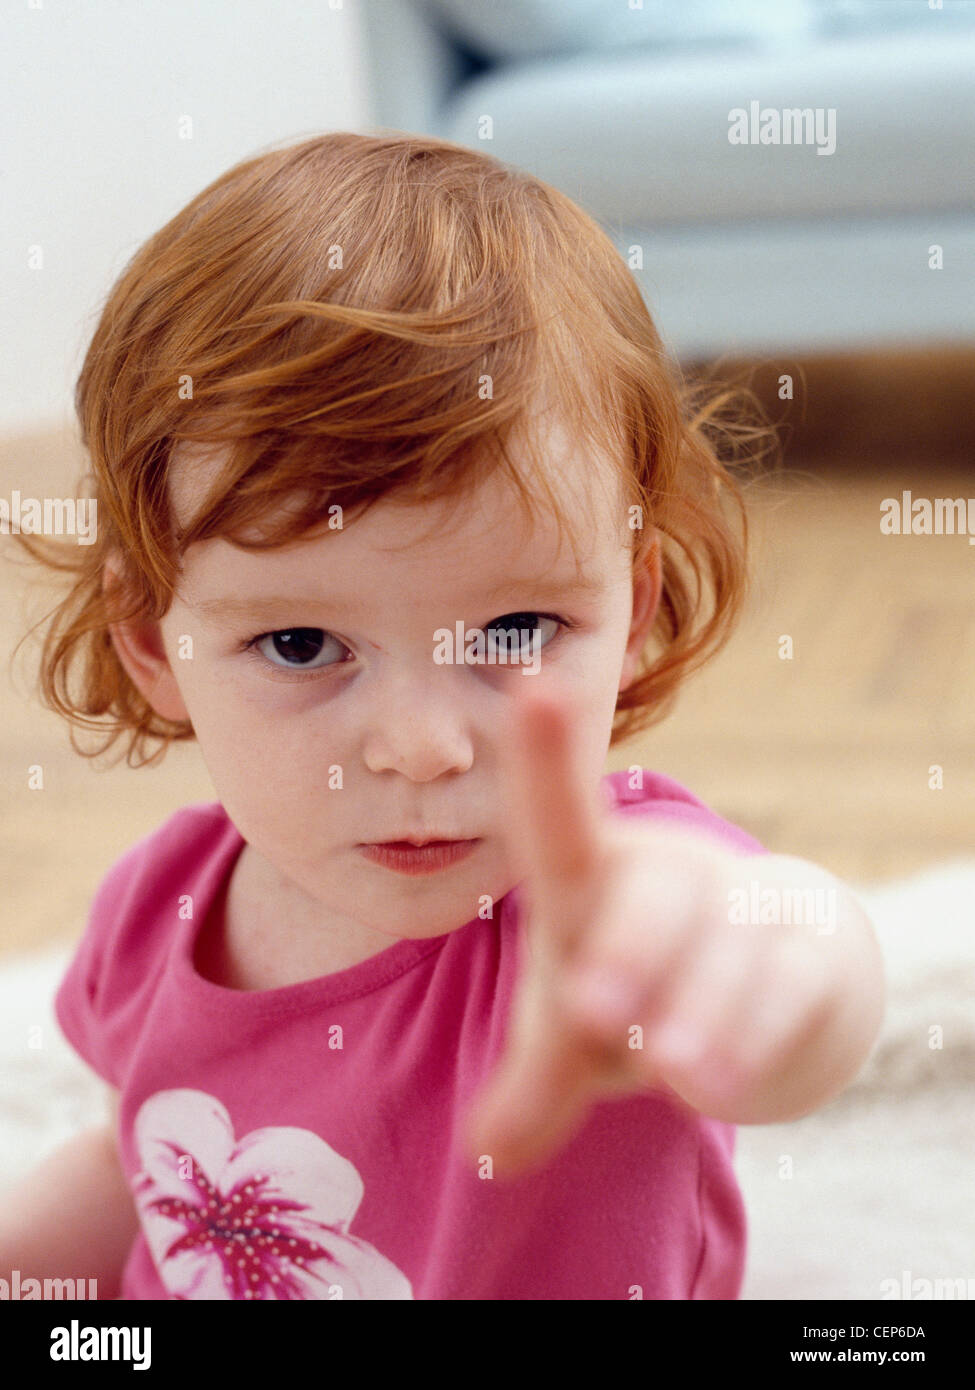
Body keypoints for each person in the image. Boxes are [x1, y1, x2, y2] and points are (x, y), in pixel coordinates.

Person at [1, 130, 884, 1300]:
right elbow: (148, 1173)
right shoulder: (156, 909)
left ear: (636, 607)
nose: (422, 745)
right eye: (302, 644)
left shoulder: (610, 916)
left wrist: (752, 958)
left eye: (515, 634)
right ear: (149, 640)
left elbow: (801, 983)